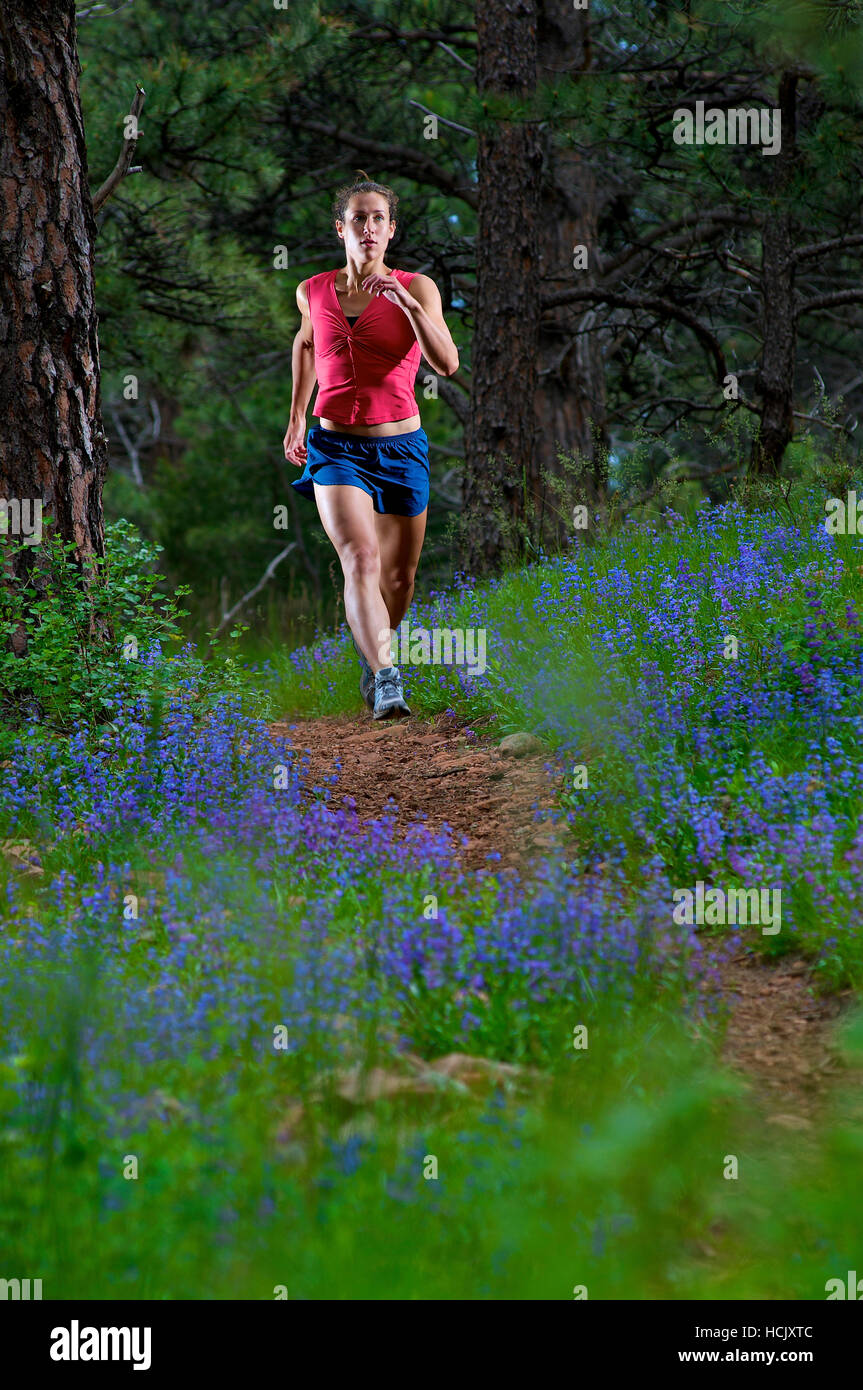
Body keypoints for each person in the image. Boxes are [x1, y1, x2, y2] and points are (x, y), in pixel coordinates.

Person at [283, 172, 459, 719]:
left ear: (391, 231)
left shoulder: (419, 286)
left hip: (401, 449)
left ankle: (373, 651)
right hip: (334, 446)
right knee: (360, 557)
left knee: (398, 578)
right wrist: (294, 420)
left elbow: (447, 364)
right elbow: (307, 343)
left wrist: (406, 303)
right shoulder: (312, 290)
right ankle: (387, 675)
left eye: (377, 218)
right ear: (342, 229)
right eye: (358, 218)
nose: (368, 227)